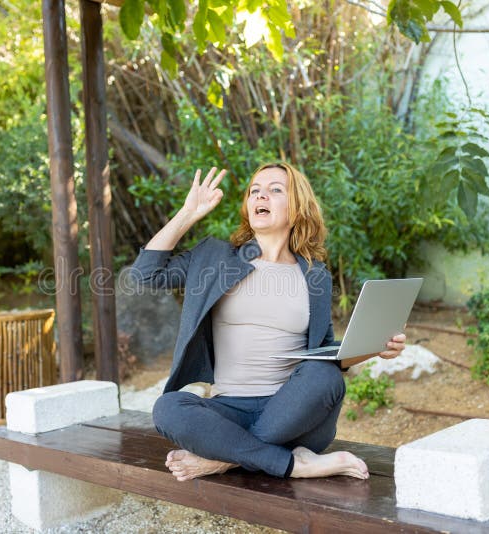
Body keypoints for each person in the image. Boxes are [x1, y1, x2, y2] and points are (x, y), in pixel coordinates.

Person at [129, 163, 406, 481]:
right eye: (254, 190)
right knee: (168, 408)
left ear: (298, 207)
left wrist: (374, 346)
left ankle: (226, 458)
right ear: (248, 206)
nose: (261, 194)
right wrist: (189, 212)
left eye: (275, 189)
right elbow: (144, 274)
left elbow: (324, 350)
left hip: (291, 414)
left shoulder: (314, 275)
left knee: (325, 375)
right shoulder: (215, 258)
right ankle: (293, 464)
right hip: (227, 410)